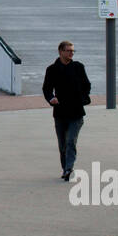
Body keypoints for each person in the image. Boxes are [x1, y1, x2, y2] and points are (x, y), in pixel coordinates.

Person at [42, 40, 91, 181]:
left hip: (76, 112)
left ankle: (69, 167)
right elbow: (46, 89)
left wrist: (82, 98)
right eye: (68, 50)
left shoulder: (78, 67)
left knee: (71, 141)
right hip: (60, 112)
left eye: (72, 51)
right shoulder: (52, 69)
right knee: (62, 144)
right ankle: (65, 169)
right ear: (60, 51)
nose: (71, 53)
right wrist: (51, 99)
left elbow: (86, 85)